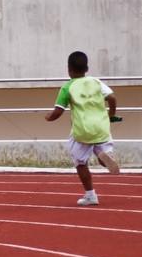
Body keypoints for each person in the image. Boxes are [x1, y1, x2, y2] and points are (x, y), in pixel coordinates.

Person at [45, 51, 120, 206]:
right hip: (102, 126)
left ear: (69, 69)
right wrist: (111, 114)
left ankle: (91, 195)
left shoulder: (67, 87)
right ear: (87, 68)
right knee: (103, 152)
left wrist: (48, 117)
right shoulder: (96, 82)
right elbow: (112, 97)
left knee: (80, 163)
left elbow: (58, 112)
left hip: (82, 130)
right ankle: (105, 157)